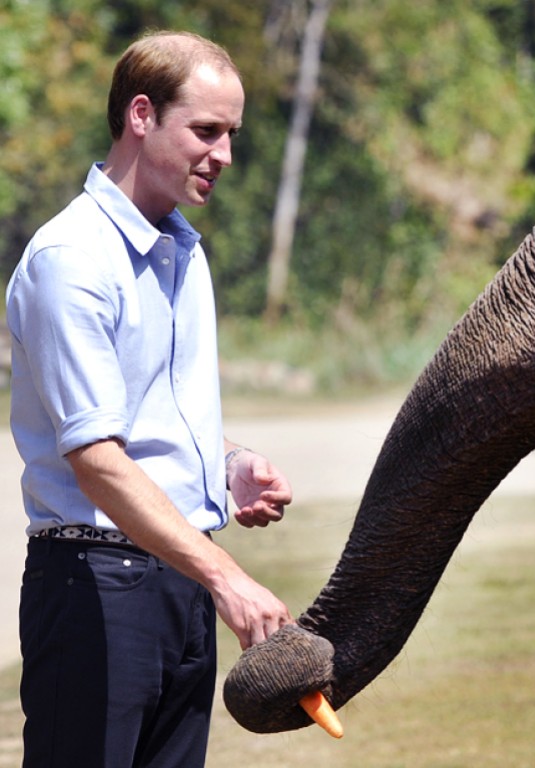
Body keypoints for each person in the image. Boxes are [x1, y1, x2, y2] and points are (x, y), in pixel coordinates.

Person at [6, 30, 294, 768]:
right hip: (96, 589)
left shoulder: (183, 253)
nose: (224, 155)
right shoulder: (72, 260)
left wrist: (227, 466)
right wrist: (227, 578)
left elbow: (147, 425)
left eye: (231, 134)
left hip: (178, 582)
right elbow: (98, 460)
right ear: (141, 115)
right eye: (207, 130)